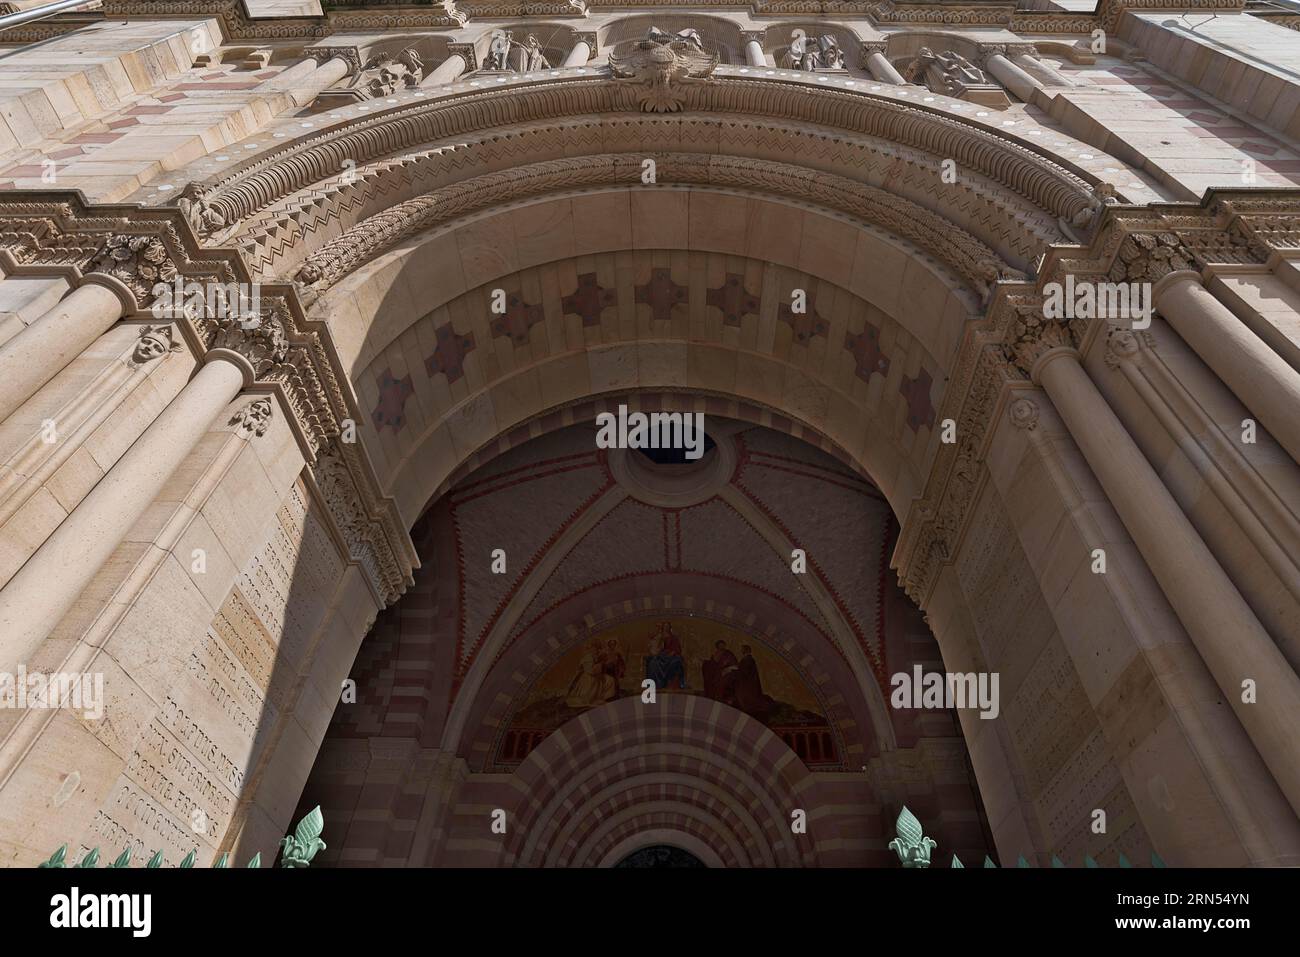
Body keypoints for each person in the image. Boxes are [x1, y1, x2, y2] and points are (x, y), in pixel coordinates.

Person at [734, 644, 775, 719]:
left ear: (746, 650)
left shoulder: (748, 659)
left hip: (748, 683)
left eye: (742, 649)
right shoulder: (746, 659)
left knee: (746, 696)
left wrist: (735, 670)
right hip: (747, 682)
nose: (741, 651)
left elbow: (745, 671)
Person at [644, 621, 687, 689]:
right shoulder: (660, 637)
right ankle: (655, 684)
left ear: (670, 628)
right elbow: (656, 648)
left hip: (671, 657)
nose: (666, 628)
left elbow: (677, 650)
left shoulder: (674, 638)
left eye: (667, 627)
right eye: (664, 627)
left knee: (676, 662)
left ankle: (670, 683)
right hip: (662, 657)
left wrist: (669, 654)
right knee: (652, 663)